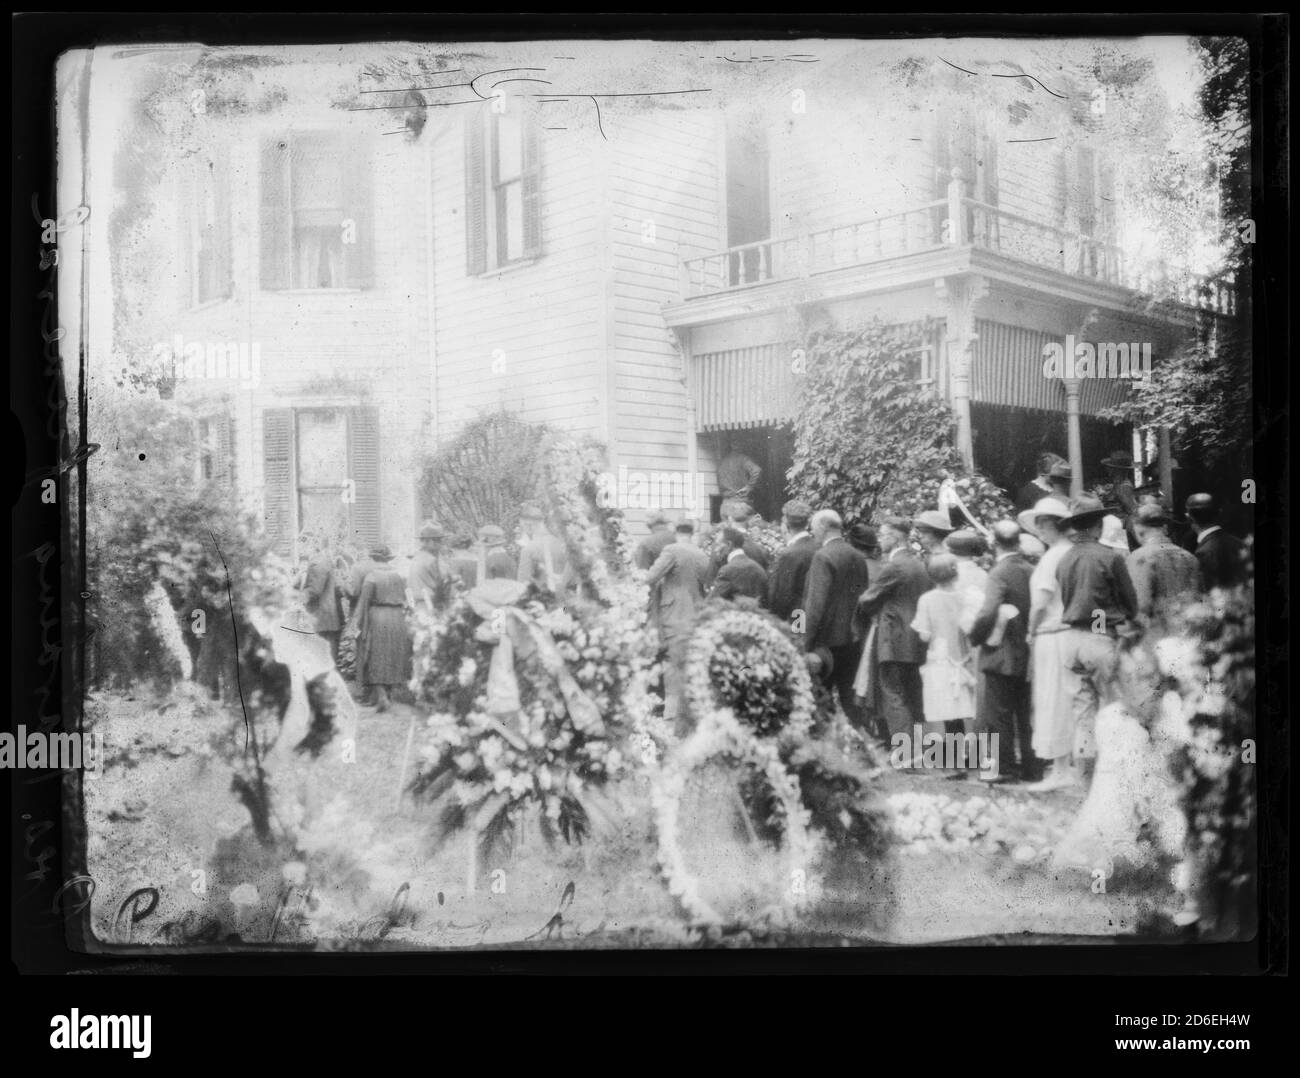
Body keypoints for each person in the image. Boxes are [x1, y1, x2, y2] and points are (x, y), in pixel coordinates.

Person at [1054, 495, 1140, 779]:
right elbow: (1130, 603)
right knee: (1114, 708)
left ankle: (1087, 783)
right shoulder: (1110, 557)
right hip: (1100, 635)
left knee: (1083, 714)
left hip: (1071, 639)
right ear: (1096, 526)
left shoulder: (1064, 559)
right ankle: (1116, 779)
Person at [1018, 497, 1078, 792]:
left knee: (1053, 698)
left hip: (1052, 633)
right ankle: (1069, 767)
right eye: (1038, 524)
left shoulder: (1053, 556)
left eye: (1044, 523)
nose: (1040, 529)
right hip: (1070, 633)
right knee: (1070, 698)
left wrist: (1030, 631)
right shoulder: (1074, 553)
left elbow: (1040, 603)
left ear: (1057, 525)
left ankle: (1061, 769)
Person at [969, 521, 1035, 783]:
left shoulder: (999, 572)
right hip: (1028, 650)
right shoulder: (1032, 569)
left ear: (994, 544)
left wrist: (976, 637)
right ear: (1018, 542)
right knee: (1026, 713)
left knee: (999, 714)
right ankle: (1033, 767)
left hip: (1001, 652)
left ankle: (1004, 767)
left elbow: (988, 611)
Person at [855, 516, 929, 741]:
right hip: (915, 638)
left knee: (893, 695)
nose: (879, 539)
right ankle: (917, 748)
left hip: (893, 638)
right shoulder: (918, 564)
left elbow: (867, 600)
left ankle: (905, 752)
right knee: (913, 695)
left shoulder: (894, 566)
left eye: (883, 534)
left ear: (895, 538)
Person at [802, 509, 872, 728]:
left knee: (819, 701)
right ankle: (861, 750)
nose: (813, 533)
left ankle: (827, 750)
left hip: (826, 644)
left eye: (814, 529)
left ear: (823, 528)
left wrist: (803, 642)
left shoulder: (823, 556)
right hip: (852, 640)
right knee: (850, 702)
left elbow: (814, 606)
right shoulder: (858, 556)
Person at [910, 554, 978, 770]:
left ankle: (954, 760)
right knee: (963, 709)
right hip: (963, 658)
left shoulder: (927, 599)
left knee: (947, 711)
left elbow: (923, 634)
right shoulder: (965, 597)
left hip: (941, 658)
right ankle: (970, 755)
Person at [646, 520, 713, 728]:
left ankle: (671, 715)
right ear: (692, 533)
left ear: (676, 532)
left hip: (673, 612)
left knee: (672, 662)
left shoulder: (672, 549)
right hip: (696, 613)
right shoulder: (701, 553)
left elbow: (651, 577)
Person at [1127, 503, 1202, 636]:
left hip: (1157, 640)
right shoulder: (1190, 557)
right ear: (1165, 528)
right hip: (1189, 638)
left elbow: (1139, 608)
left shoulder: (1138, 559)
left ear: (1138, 529)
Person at [355, 543, 411, 713]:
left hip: (378, 617)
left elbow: (363, 604)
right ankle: (389, 693)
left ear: (373, 558)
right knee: (394, 654)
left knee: (375, 655)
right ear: (388, 559)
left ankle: (381, 696)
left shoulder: (371, 577)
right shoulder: (399, 576)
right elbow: (407, 599)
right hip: (397, 618)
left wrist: (358, 625)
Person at [1185, 493, 1248, 591]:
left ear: (1189, 518)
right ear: (1218, 514)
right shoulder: (1239, 543)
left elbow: (1208, 593)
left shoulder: (1203, 552)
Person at [767, 499, 818, 621]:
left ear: (785, 525)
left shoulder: (788, 554)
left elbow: (782, 594)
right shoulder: (818, 546)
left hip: (795, 616)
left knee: (796, 639)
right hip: (815, 614)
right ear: (807, 524)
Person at [303, 535, 344, 665]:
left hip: (320, 617)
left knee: (321, 662)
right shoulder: (324, 560)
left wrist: (295, 599)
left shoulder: (318, 563)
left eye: (303, 543)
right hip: (327, 617)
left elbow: (314, 591)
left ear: (313, 545)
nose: (301, 549)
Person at [517, 501, 571, 593]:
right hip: (566, 597)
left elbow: (523, 583)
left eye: (523, 525)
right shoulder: (564, 546)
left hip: (542, 600)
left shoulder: (528, 549)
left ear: (529, 525)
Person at [710, 526, 769, 603]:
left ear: (729, 544)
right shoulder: (758, 568)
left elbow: (712, 602)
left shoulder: (727, 571)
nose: (716, 549)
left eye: (718, 545)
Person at [409, 521, 453, 610]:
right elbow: (441, 584)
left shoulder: (416, 557)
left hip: (417, 604)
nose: (441, 544)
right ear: (431, 541)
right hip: (431, 605)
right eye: (439, 540)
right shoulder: (431, 560)